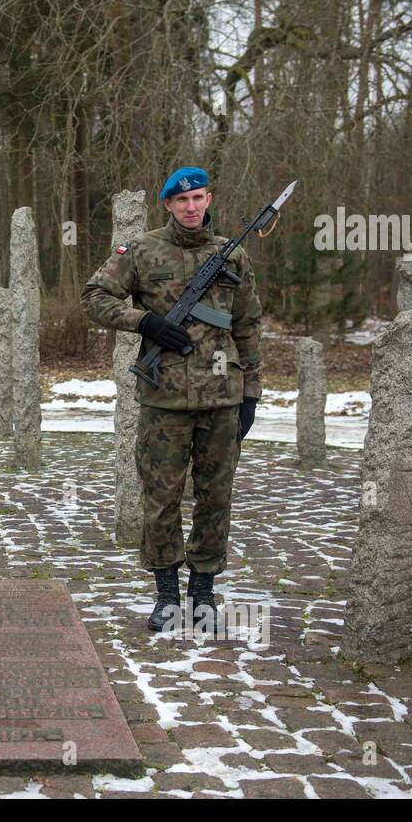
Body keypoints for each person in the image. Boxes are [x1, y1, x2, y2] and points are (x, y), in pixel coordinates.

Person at [81, 166, 262, 633]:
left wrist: (251, 393)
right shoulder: (140, 250)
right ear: (168, 205)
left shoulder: (232, 255)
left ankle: (203, 593)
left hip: (223, 397)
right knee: (161, 499)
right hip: (164, 400)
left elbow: (247, 325)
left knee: (215, 497)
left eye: (198, 198)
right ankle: (165, 594)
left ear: (208, 199)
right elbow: (94, 296)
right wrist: (143, 322)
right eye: (181, 200)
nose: (191, 207)